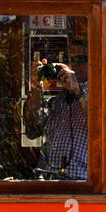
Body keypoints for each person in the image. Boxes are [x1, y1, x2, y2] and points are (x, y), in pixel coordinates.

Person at [23, 40, 88, 179]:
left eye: (81, 59)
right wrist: (36, 89)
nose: (74, 64)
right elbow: (32, 130)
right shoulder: (58, 101)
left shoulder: (101, 97)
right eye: (69, 59)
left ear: (93, 63)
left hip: (81, 185)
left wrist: (77, 91)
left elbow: (102, 127)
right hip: (48, 182)